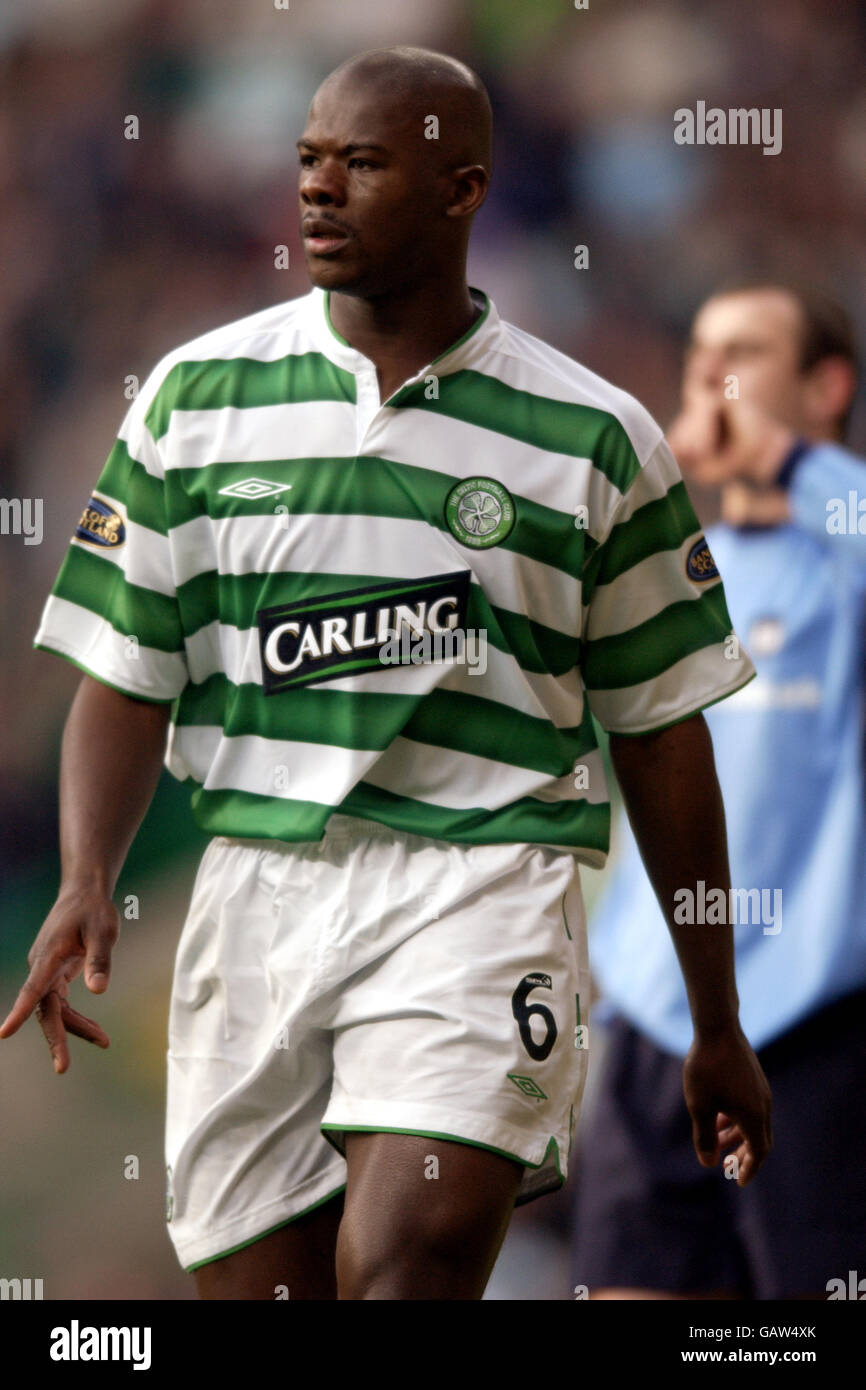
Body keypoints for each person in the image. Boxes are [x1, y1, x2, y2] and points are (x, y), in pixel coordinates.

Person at [1, 47, 770, 1301]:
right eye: (308, 159)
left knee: (407, 1262)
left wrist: (714, 1016)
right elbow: (126, 671)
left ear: (462, 189)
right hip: (254, 896)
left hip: (479, 885)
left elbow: (661, 734)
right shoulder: (195, 400)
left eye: (359, 163)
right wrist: (87, 877)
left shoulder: (592, 435)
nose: (316, 189)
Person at [573, 281, 866, 1301]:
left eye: (743, 348)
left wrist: (785, 462)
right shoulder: (673, 573)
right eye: (700, 348)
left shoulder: (843, 553)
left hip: (811, 1032)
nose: (710, 369)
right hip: (655, 1026)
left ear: (826, 386)